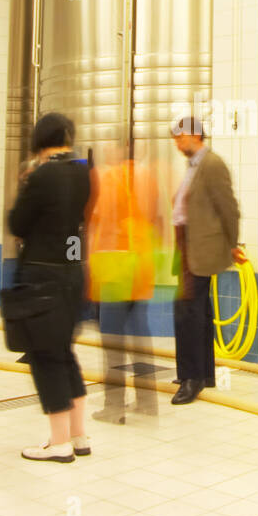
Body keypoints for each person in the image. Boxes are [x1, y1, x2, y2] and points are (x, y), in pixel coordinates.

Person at [7, 112, 92, 462]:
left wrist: (25, 186)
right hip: (73, 271)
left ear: (39, 140)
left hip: (44, 277)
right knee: (65, 353)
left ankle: (58, 443)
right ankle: (78, 435)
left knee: (46, 356)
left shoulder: (42, 176)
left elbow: (17, 224)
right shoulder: (83, 173)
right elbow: (74, 226)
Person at [169, 115, 244, 405]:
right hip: (186, 246)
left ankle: (191, 380)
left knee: (188, 312)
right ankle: (203, 373)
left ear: (194, 135)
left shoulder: (212, 164)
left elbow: (229, 208)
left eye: (179, 137)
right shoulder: (193, 166)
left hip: (198, 249)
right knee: (198, 311)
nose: (176, 143)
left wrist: (233, 245)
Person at [87, 154, 162, 423]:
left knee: (113, 339)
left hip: (115, 266)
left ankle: (114, 406)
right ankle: (147, 401)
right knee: (140, 336)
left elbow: (97, 222)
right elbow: (157, 219)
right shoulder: (147, 178)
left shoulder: (108, 179)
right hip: (141, 264)